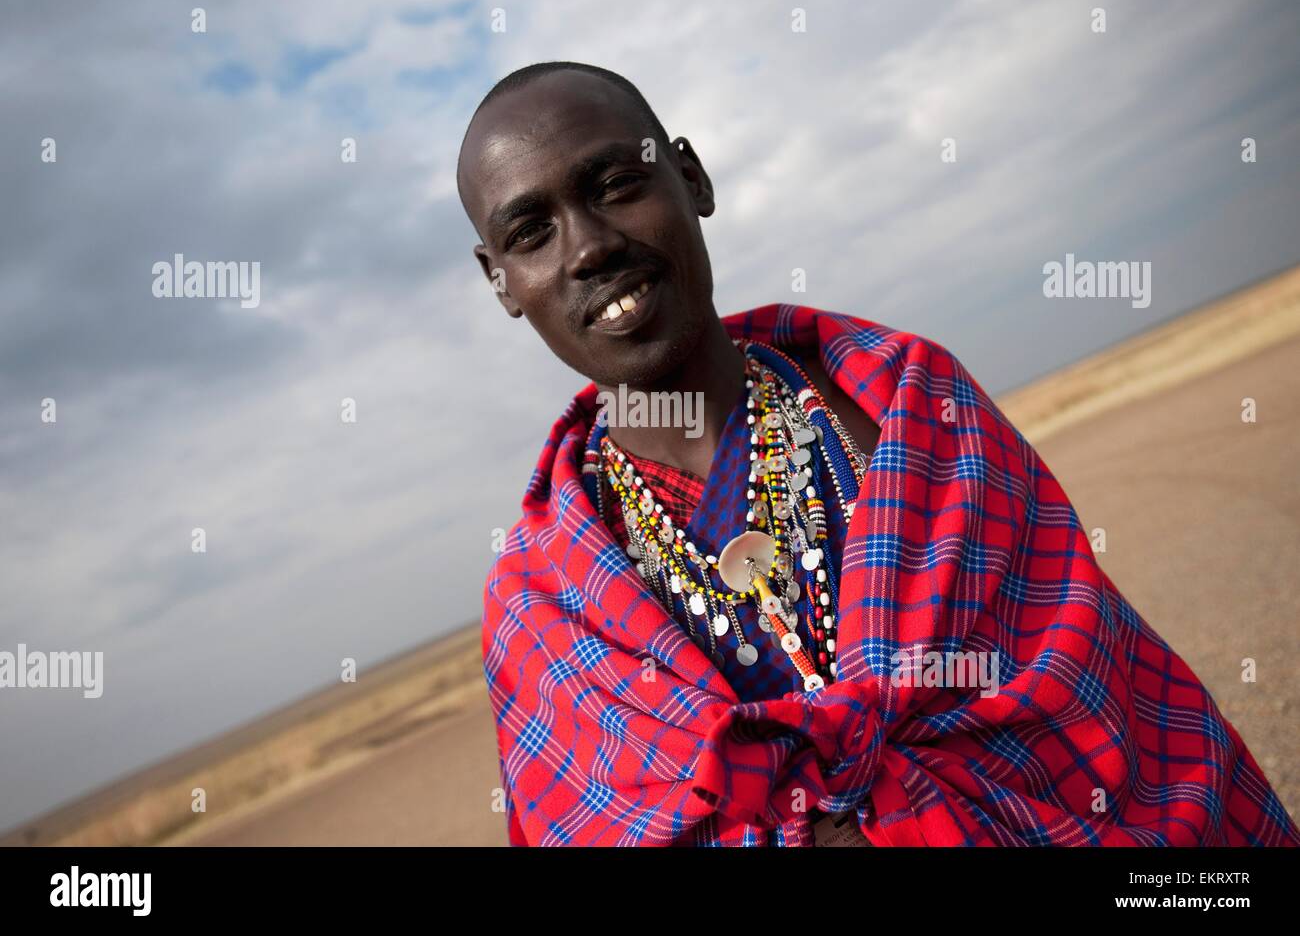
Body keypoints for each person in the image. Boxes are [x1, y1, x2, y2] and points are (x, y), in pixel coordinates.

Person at [457, 61, 1299, 846]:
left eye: (616, 185)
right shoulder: (542, 604)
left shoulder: (909, 410)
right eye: (532, 233)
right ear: (500, 281)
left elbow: (1090, 697)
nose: (589, 246)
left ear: (692, 177)